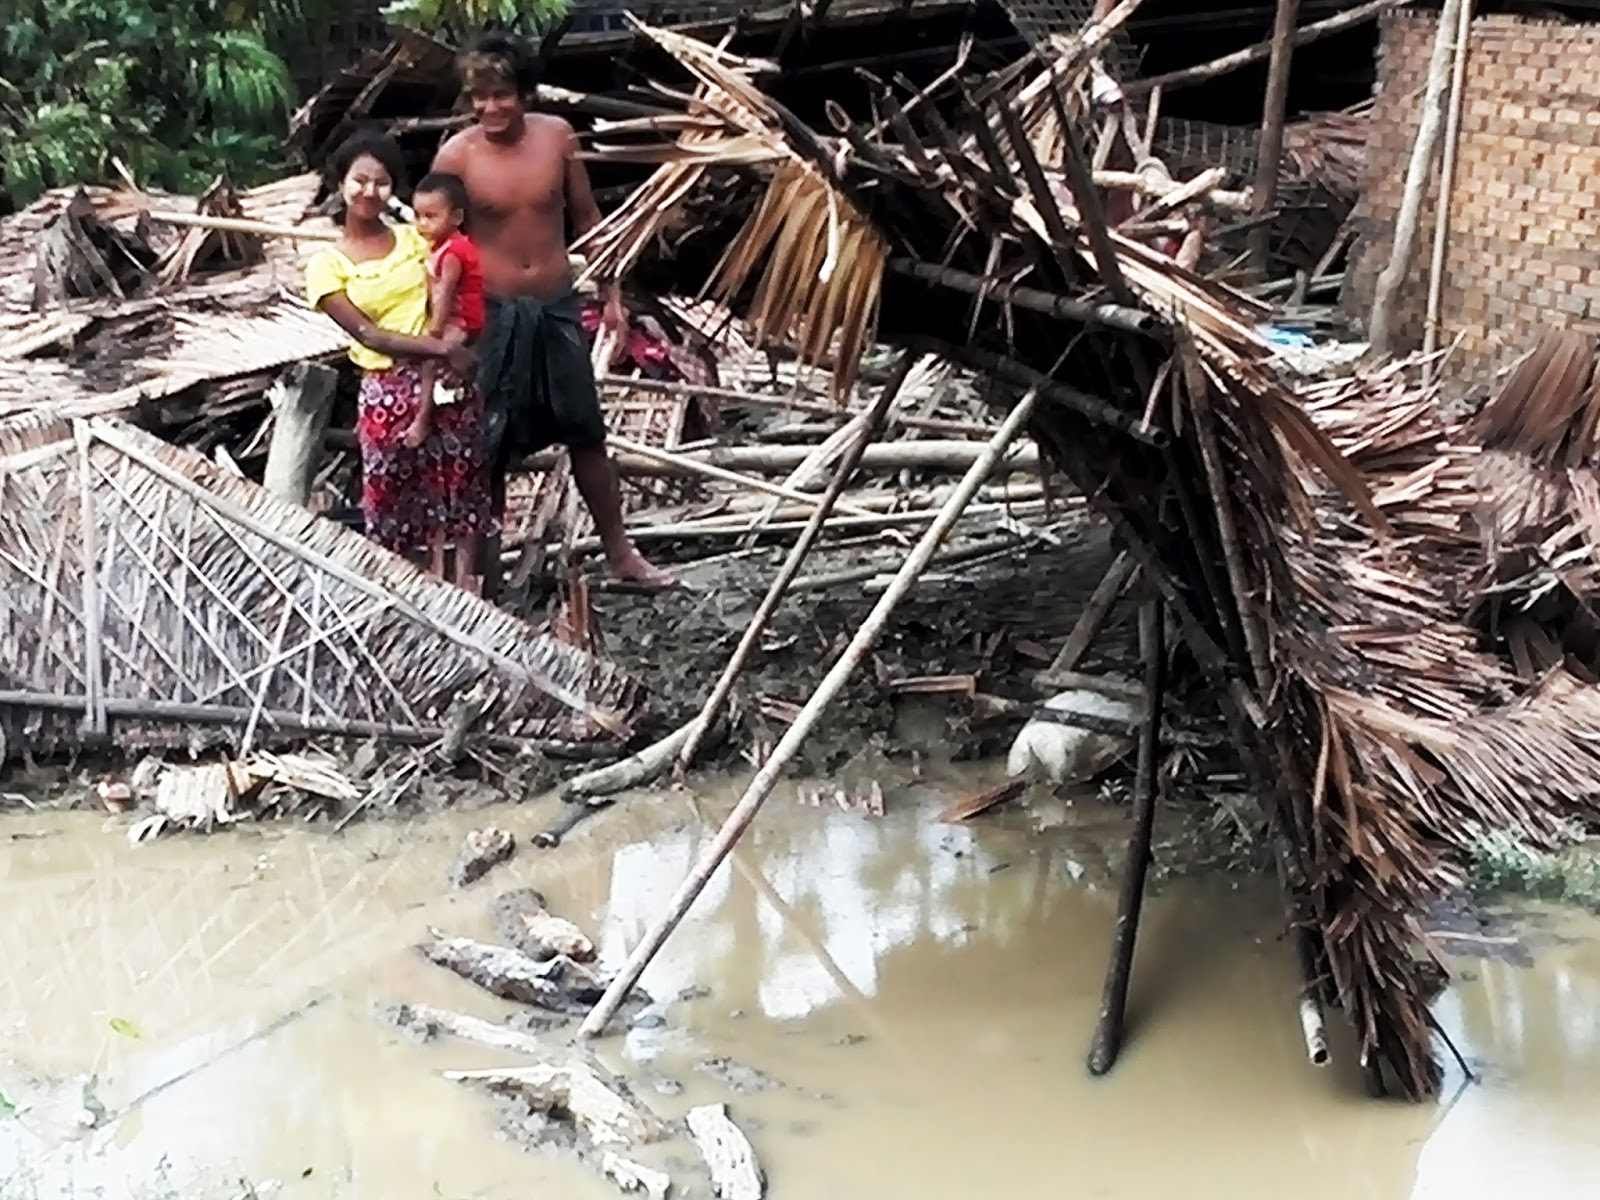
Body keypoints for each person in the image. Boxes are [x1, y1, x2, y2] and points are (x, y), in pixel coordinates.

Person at [431, 33, 675, 590]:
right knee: (488, 443)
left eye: (501, 94)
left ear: (525, 93)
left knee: (585, 432)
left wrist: (612, 295)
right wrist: (446, 329)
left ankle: (621, 554)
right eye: (479, 97)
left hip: (557, 305)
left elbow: (588, 220)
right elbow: (439, 248)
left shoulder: (557, 137)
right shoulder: (457, 156)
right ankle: (479, 576)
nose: (490, 107)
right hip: (490, 314)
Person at [303, 131, 494, 590]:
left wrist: (462, 340)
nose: (370, 191)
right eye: (360, 180)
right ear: (340, 183)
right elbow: (369, 334)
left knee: (462, 491)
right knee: (392, 502)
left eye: (382, 181)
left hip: (448, 382)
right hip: (387, 391)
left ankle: (469, 595)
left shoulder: (417, 238)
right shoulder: (326, 265)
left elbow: (462, 284)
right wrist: (443, 348)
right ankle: (404, 596)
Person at [405, 172, 487, 454]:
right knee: (443, 366)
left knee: (431, 359)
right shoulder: (440, 248)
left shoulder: (453, 251)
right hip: (457, 318)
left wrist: (435, 331)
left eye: (431, 216)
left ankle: (423, 417)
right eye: (418, 216)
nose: (422, 223)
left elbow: (445, 291)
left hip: (461, 320)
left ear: (457, 217)